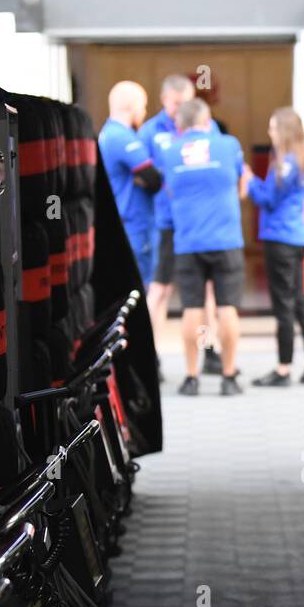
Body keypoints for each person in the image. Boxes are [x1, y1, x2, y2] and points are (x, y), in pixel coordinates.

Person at [159, 97, 246, 396]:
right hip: (226, 240)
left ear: (179, 126)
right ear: (208, 122)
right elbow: (242, 184)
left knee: (192, 309)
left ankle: (192, 377)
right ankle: (229, 376)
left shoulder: (169, 151)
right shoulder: (229, 145)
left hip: (188, 241)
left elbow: (169, 189)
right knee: (226, 308)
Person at [138, 73, 221, 376]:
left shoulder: (206, 126)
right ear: (164, 100)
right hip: (169, 223)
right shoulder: (149, 132)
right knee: (160, 290)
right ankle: (150, 355)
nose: (181, 110)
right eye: (176, 104)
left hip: (201, 222)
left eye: (186, 103)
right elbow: (140, 176)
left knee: (207, 291)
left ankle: (209, 348)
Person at [240, 108, 304, 387]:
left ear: (284, 130)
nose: (270, 133)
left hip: (280, 238)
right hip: (297, 237)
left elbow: (269, 199)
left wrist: (249, 181)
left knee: (283, 304)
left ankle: (283, 368)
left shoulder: (285, 163)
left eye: (273, 128)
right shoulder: (300, 158)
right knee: (299, 300)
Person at [98, 81, 161, 288]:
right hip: (135, 225)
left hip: (126, 223)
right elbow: (154, 179)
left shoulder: (107, 133)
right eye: (142, 106)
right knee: (141, 290)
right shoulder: (122, 137)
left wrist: (139, 178)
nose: (144, 112)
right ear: (130, 106)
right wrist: (143, 178)